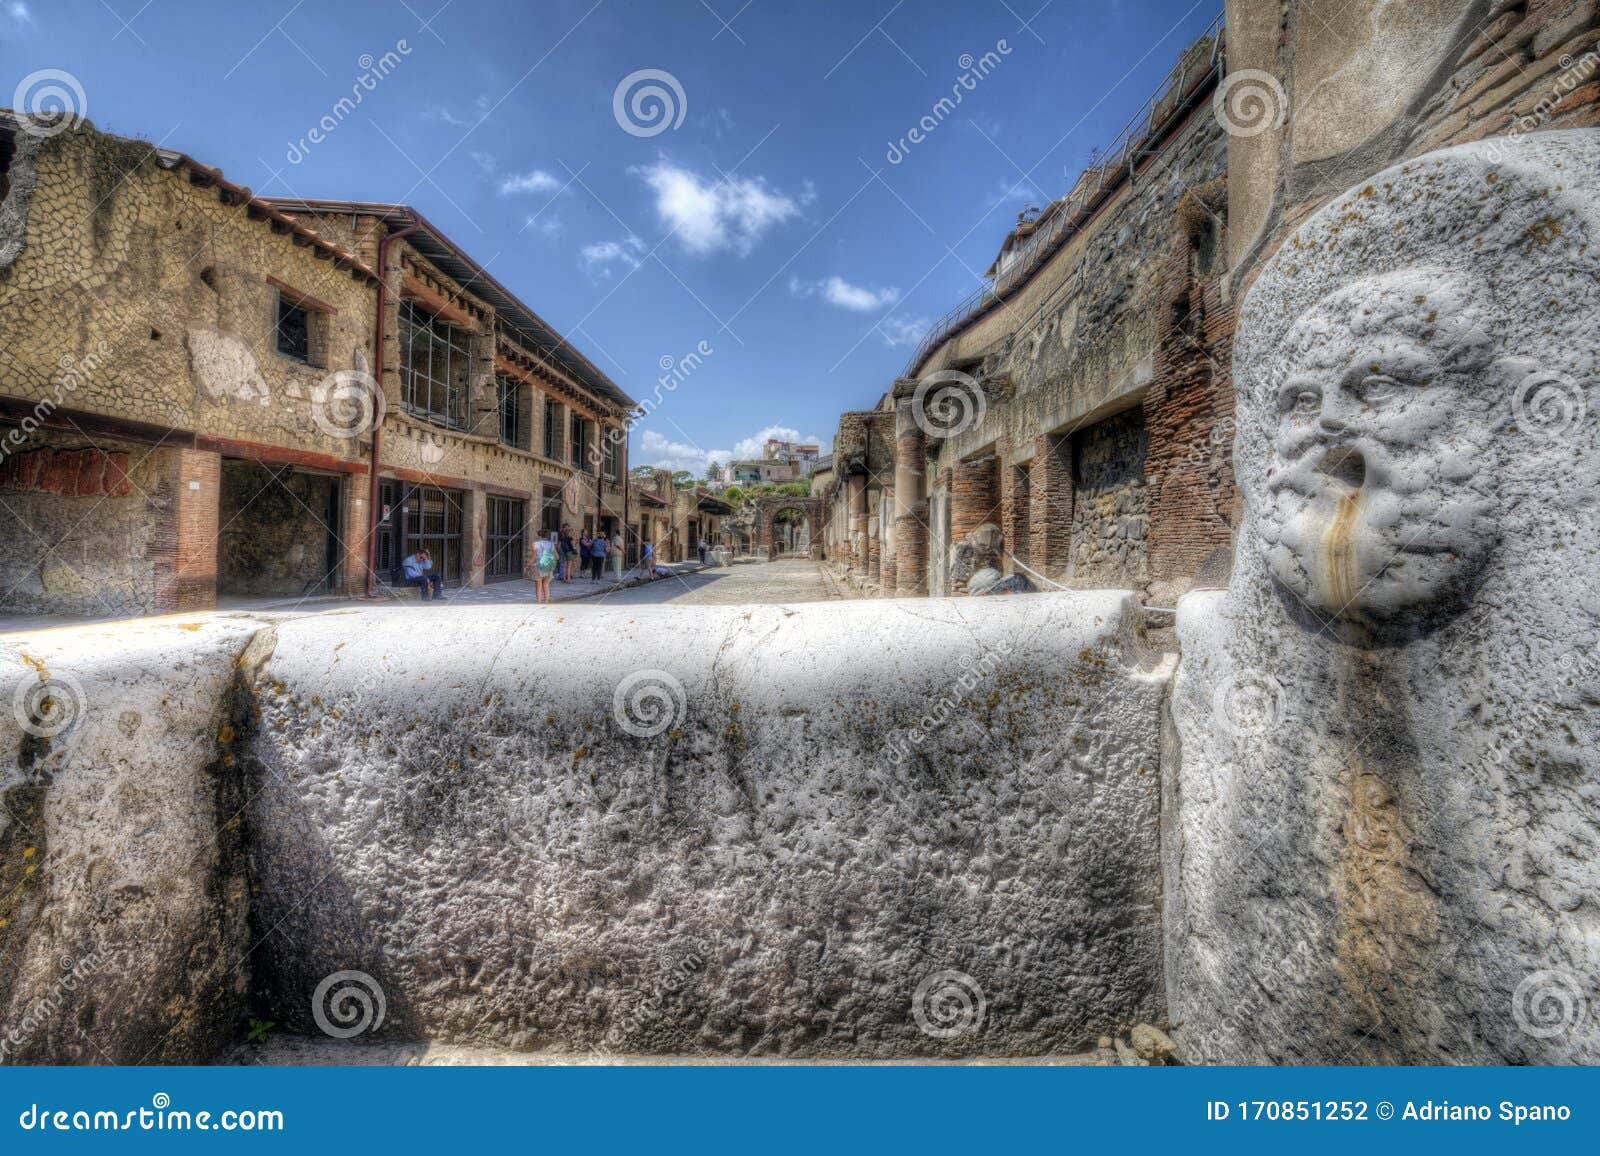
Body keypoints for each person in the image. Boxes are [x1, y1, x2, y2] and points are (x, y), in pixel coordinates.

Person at [531, 531, 559, 604]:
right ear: (547, 536)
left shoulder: (535, 544)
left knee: (538, 585)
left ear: (539, 536)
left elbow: (533, 558)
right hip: (549, 566)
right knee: (546, 585)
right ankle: (546, 602)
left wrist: (528, 564)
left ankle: (539, 602)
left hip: (539, 566)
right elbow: (557, 557)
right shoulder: (551, 544)